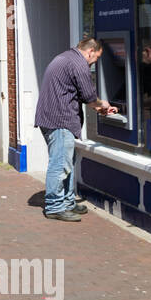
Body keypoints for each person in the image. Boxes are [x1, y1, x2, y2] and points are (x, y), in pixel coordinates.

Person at [34, 37, 118, 221]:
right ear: (90, 51)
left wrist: (97, 107)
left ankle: (67, 202)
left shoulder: (65, 58)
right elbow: (88, 96)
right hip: (60, 120)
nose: (95, 62)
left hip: (50, 118)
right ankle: (55, 207)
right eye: (96, 57)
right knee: (60, 165)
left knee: (66, 163)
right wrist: (102, 104)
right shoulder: (79, 64)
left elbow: (76, 93)